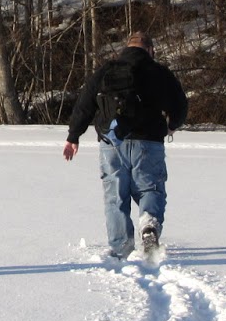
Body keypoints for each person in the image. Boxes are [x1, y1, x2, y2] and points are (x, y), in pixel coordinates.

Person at [63, 31, 188, 260]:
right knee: (150, 188)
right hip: (149, 141)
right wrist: (172, 125)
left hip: (112, 142)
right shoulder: (159, 73)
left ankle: (121, 247)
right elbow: (180, 105)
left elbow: (84, 104)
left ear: (126, 48)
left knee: (115, 194)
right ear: (150, 50)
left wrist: (73, 136)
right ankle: (149, 224)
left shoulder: (106, 71)